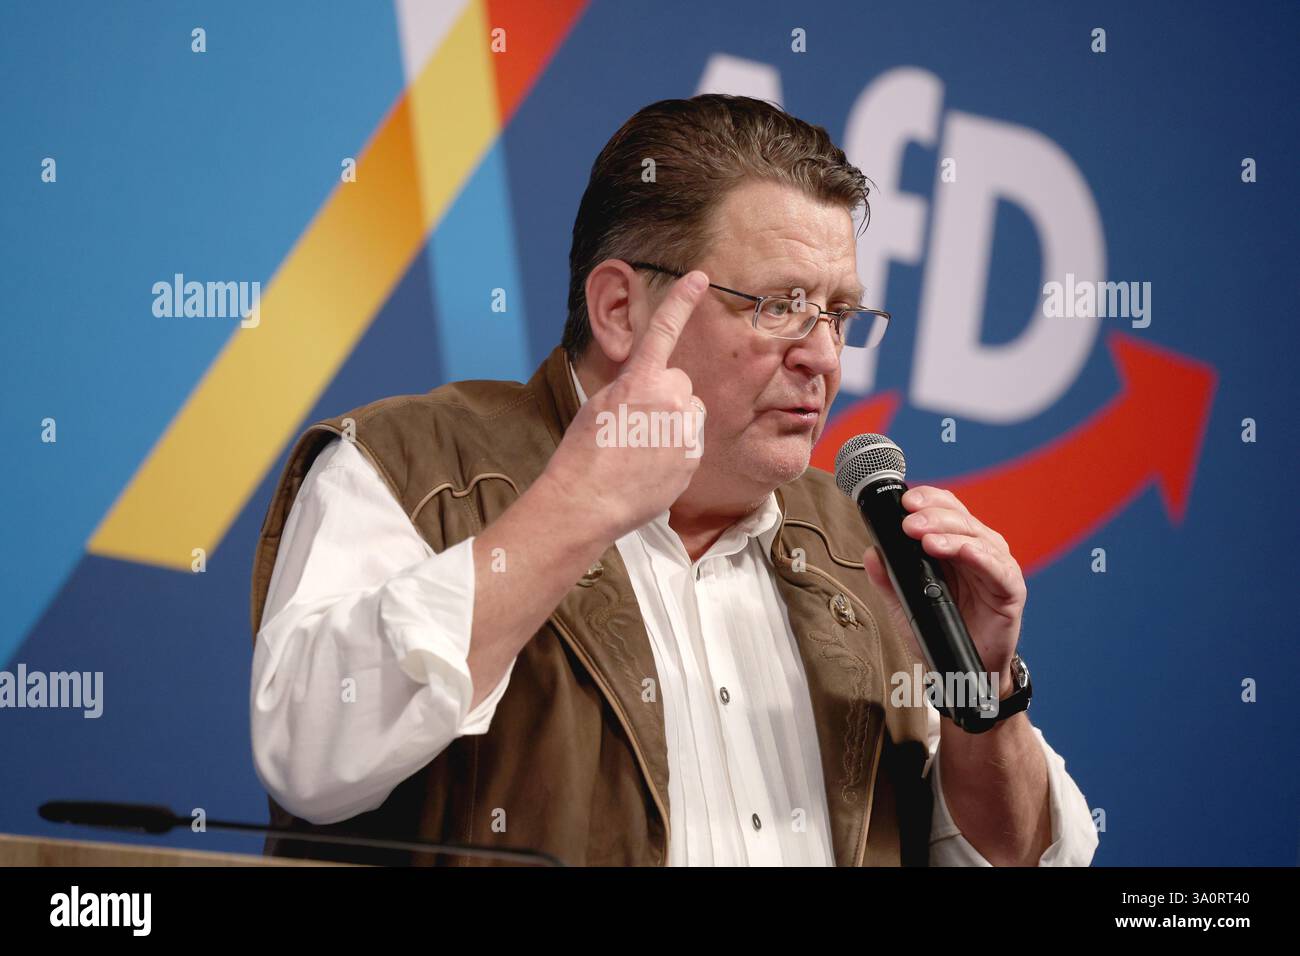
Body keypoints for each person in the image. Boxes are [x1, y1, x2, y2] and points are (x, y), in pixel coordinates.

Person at [248, 94, 1098, 867]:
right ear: (621, 309)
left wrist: (977, 691)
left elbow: (1023, 861)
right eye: (779, 305)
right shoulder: (411, 468)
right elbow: (310, 754)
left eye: (838, 313)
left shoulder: (865, 548)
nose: (824, 357)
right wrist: (576, 508)